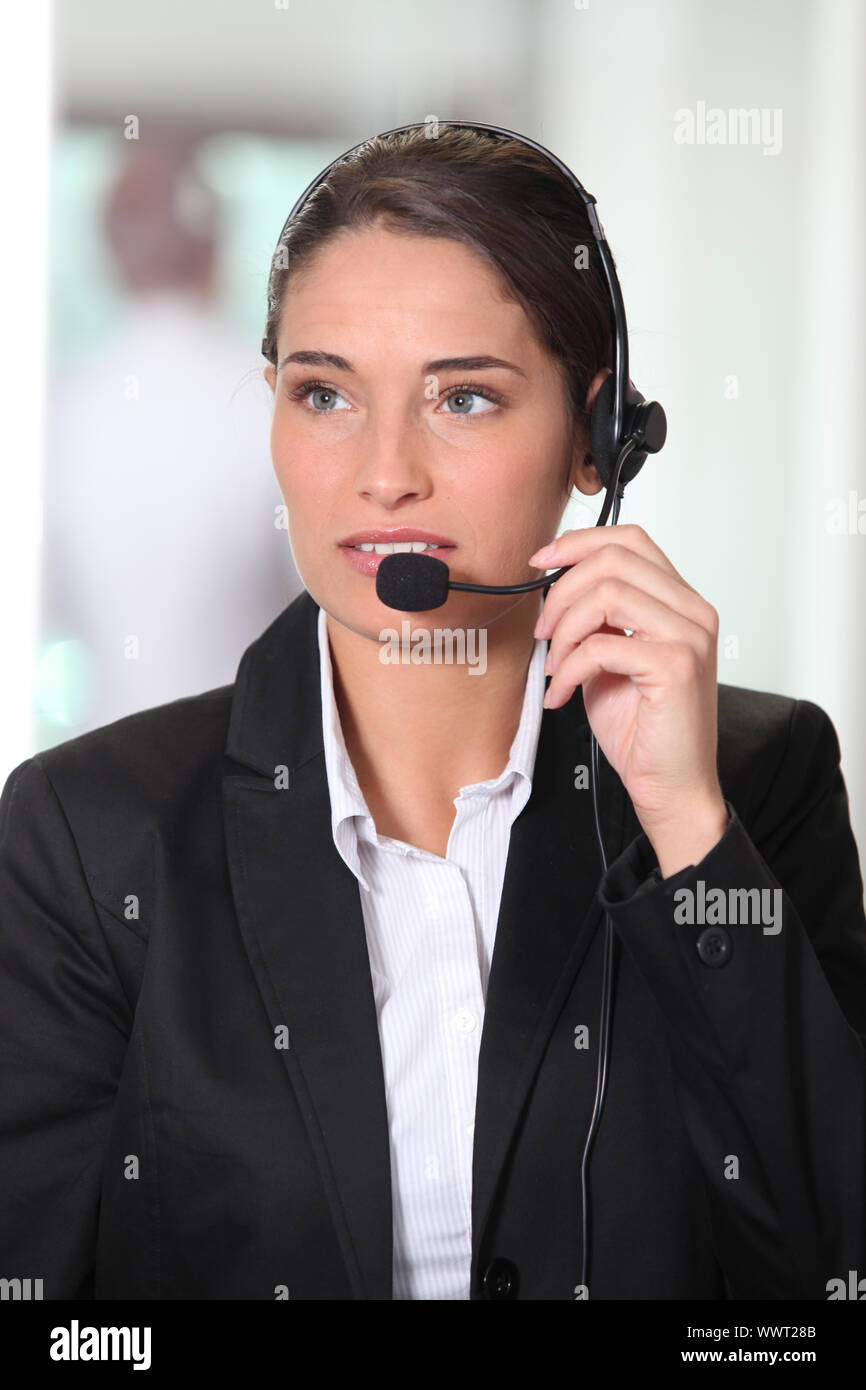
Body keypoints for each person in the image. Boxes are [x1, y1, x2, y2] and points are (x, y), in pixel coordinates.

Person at [1, 124, 864, 1302]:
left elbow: (829, 1277)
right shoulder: (88, 835)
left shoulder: (754, 784)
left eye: (462, 397)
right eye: (324, 393)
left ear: (594, 438)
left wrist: (681, 821)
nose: (383, 472)